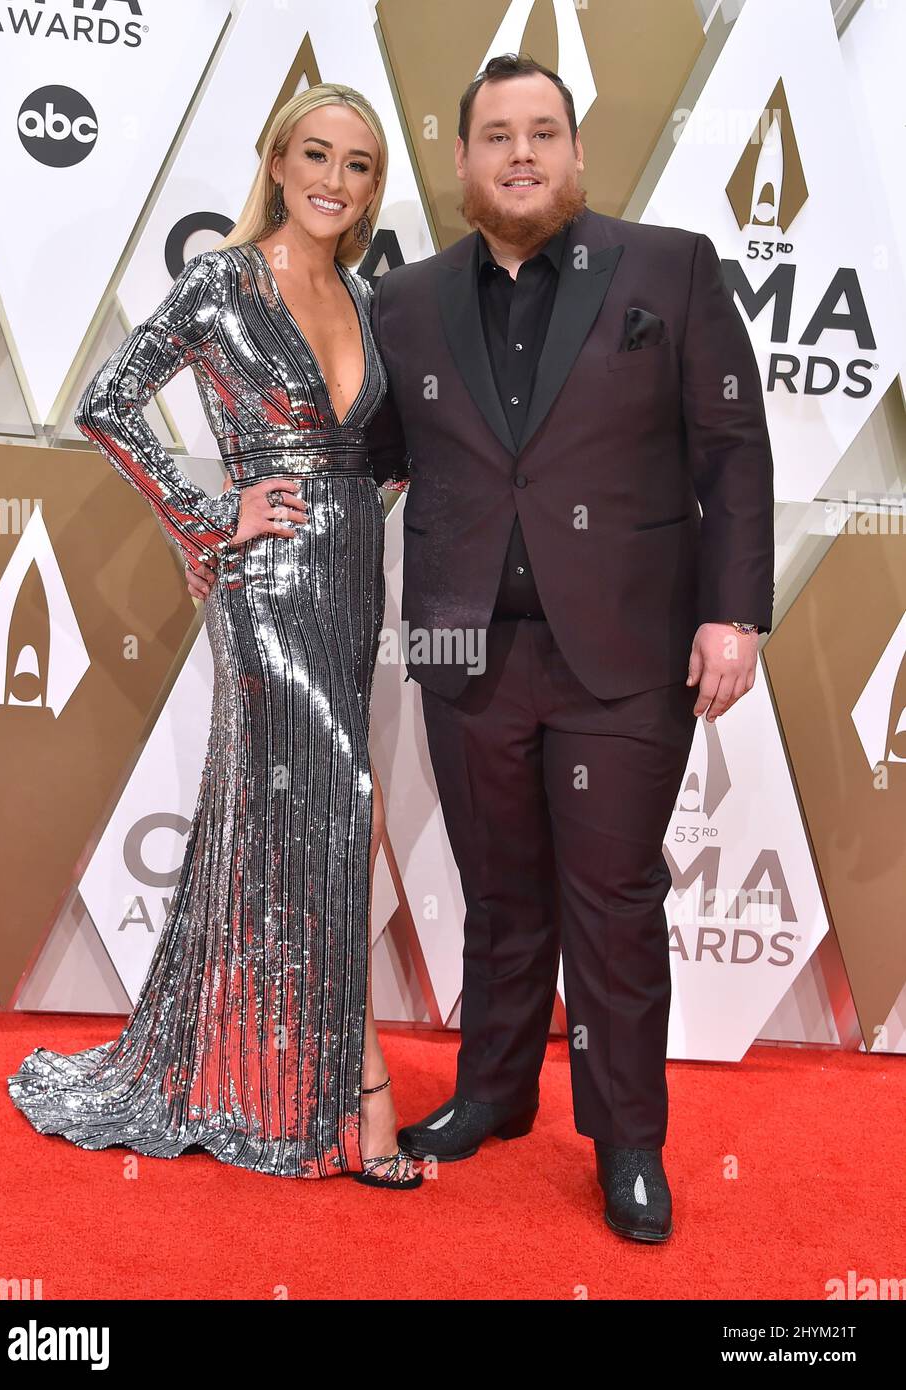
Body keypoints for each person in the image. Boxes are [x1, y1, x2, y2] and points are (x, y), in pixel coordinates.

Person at [189, 53, 776, 1241]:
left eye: (544, 132)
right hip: (463, 642)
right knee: (500, 896)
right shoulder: (405, 303)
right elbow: (377, 456)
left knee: (610, 898)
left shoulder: (668, 266)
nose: (522, 153)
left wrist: (735, 612)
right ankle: (496, 1092)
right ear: (459, 162)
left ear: (573, 150)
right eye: (497, 135)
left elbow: (733, 449)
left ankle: (628, 1144)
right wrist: (252, 502)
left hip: (622, 650)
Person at [7, 84, 421, 1190]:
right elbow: (109, 399)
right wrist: (206, 517)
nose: (336, 180)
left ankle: (270, 1077)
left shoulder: (370, 298)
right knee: (343, 804)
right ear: (278, 163)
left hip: (346, 579)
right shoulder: (223, 280)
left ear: (375, 186)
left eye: (361, 165)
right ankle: (363, 1094)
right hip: (268, 583)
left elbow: (376, 454)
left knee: (307, 823)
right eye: (317, 156)